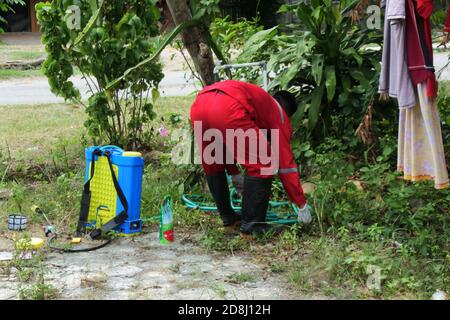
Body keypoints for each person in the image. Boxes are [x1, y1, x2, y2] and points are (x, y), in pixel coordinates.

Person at [190, 80, 312, 239]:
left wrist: (234, 173)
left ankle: (229, 220)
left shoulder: (260, 100)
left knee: (213, 162)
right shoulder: (279, 114)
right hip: (227, 106)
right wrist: (301, 204)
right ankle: (252, 227)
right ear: (287, 111)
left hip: (199, 105)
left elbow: (226, 140)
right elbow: (285, 164)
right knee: (264, 162)